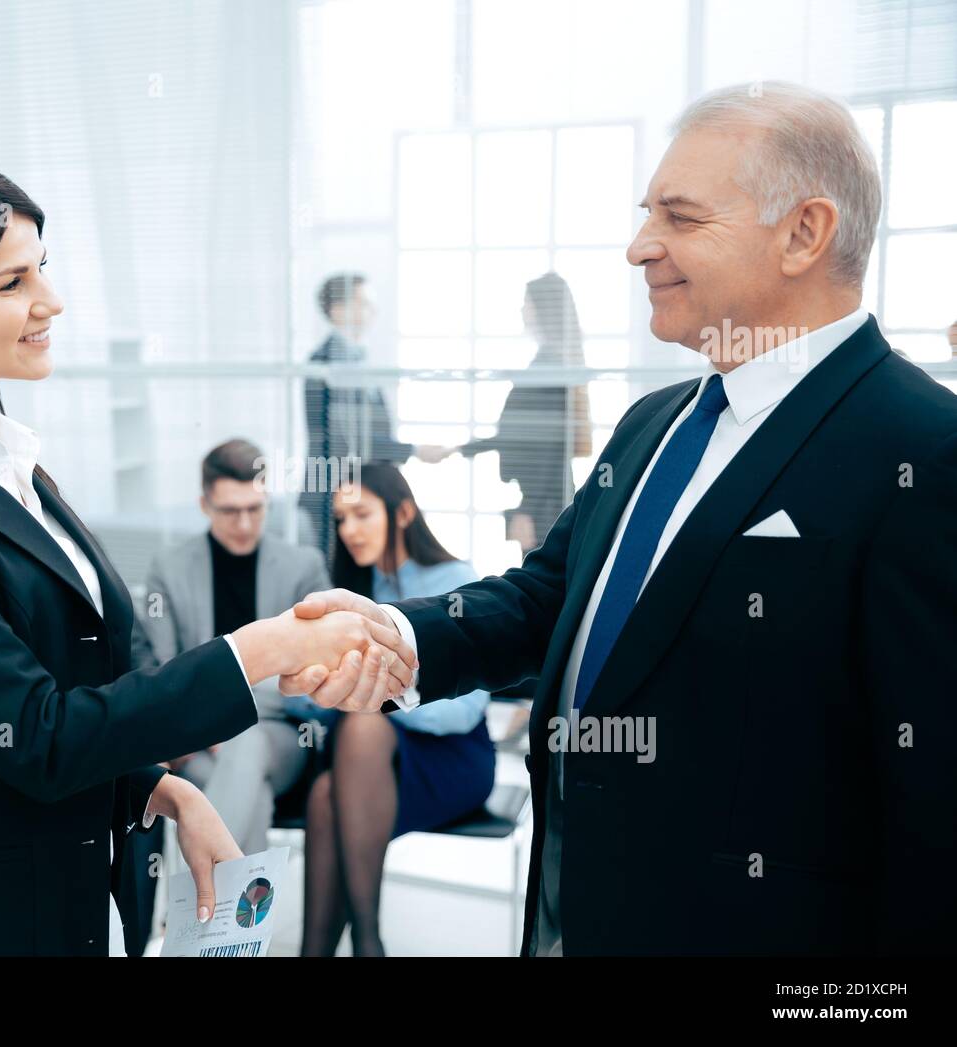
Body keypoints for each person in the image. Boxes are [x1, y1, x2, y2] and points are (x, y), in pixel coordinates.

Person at [281, 82, 957, 956]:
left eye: (679, 217)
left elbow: (934, 809)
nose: (641, 247)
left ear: (804, 233)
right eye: (648, 214)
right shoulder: (656, 423)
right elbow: (547, 597)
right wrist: (400, 640)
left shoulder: (924, 450)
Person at [0, 153, 414, 957]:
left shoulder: (18, 468)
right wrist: (264, 648)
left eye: (44, 271)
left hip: (63, 896)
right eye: (12, 282)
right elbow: (32, 732)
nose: (50, 302)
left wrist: (161, 791)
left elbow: (65, 690)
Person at [301, 463, 492, 957]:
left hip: (452, 758)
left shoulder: (455, 580)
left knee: (365, 724)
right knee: (325, 795)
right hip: (369, 767)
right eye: (342, 519)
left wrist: (383, 701)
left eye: (362, 514)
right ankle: (333, 947)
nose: (349, 530)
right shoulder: (352, 590)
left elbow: (464, 713)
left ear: (403, 512)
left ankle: (366, 939)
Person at [141, 438, 331, 854]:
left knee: (246, 745)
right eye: (230, 511)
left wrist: (219, 712)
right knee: (247, 792)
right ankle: (236, 917)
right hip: (198, 746)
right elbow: (163, 673)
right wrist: (203, 727)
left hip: (280, 739)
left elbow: (319, 674)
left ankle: (196, 911)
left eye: (255, 509)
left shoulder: (304, 567)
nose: (245, 524)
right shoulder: (168, 570)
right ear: (204, 505)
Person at [301, 273, 448, 556]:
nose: (373, 312)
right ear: (337, 310)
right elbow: (348, 439)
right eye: (364, 303)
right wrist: (414, 450)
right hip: (335, 491)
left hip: (356, 488)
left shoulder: (355, 360)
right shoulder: (328, 363)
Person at [458, 271, 592, 554]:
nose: (522, 310)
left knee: (541, 586)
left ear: (543, 308)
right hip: (546, 495)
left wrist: (527, 510)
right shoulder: (553, 362)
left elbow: (547, 447)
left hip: (543, 499)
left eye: (527, 303)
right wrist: (461, 448)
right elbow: (517, 434)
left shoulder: (550, 366)